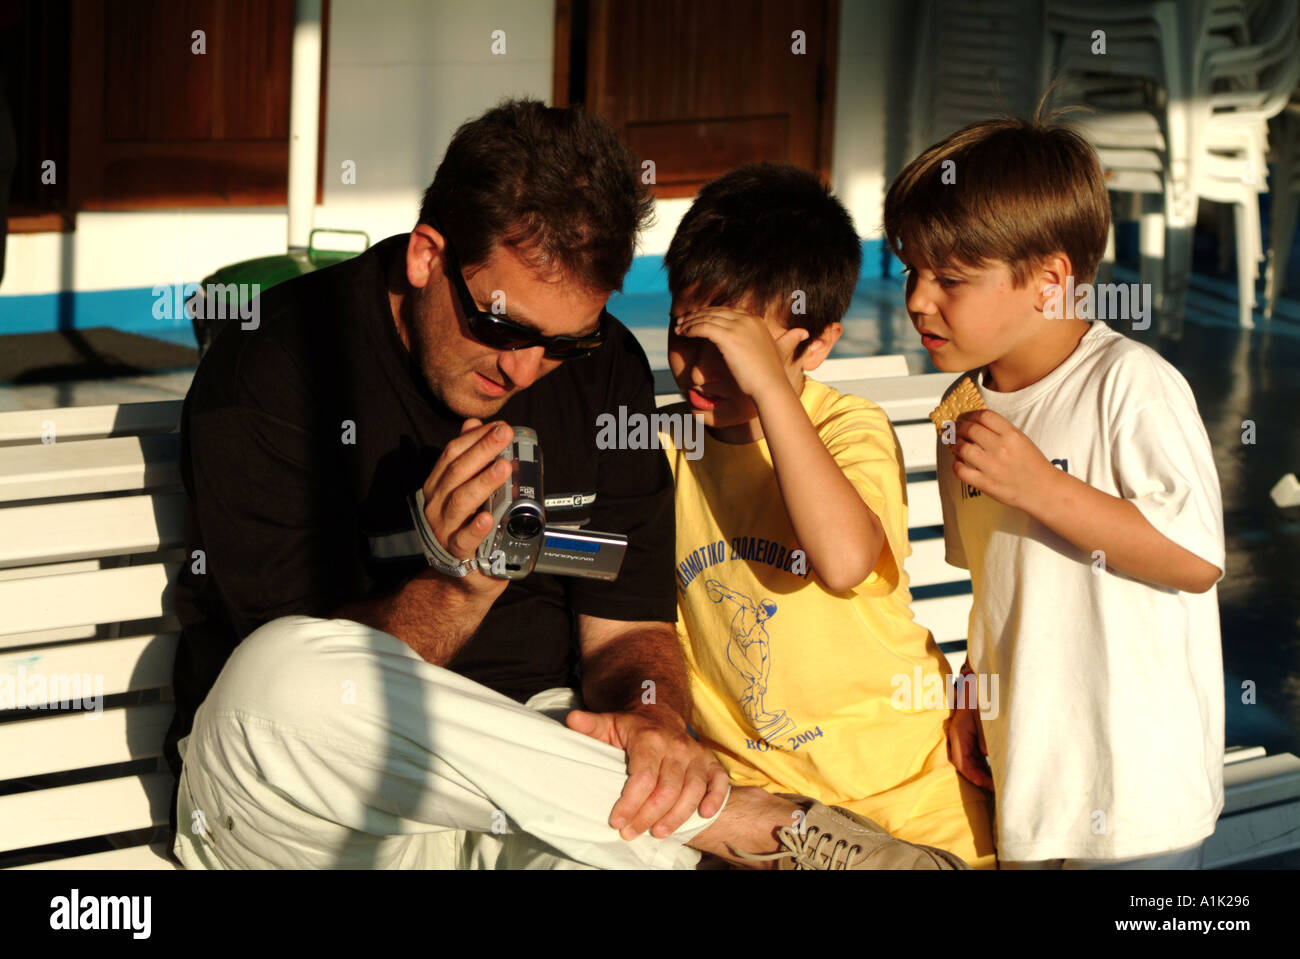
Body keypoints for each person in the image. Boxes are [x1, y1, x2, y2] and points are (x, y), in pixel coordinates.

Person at [167, 99, 949, 870]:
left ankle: (696, 816)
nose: (522, 369)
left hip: (551, 783)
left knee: (636, 803)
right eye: (504, 328)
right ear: (426, 256)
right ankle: (746, 822)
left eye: (561, 346)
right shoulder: (270, 371)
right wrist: (458, 585)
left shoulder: (603, 370)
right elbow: (315, 706)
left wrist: (651, 719)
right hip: (317, 805)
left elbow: (627, 633)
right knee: (285, 676)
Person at [883, 112, 1226, 869]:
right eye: (911, 271)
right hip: (1031, 777)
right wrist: (974, 686)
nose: (916, 300)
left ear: (1049, 282)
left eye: (949, 278)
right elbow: (998, 584)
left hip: (1136, 792)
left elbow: (1194, 557)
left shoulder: (1130, 386)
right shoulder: (964, 413)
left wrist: (1041, 487)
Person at [659, 163, 993, 868]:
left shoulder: (850, 430)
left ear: (817, 344)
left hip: (911, 795)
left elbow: (842, 561)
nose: (695, 371)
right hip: (768, 811)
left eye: (730, 350)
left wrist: (769, 392)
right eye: (684, 335)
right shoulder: (662, 446)